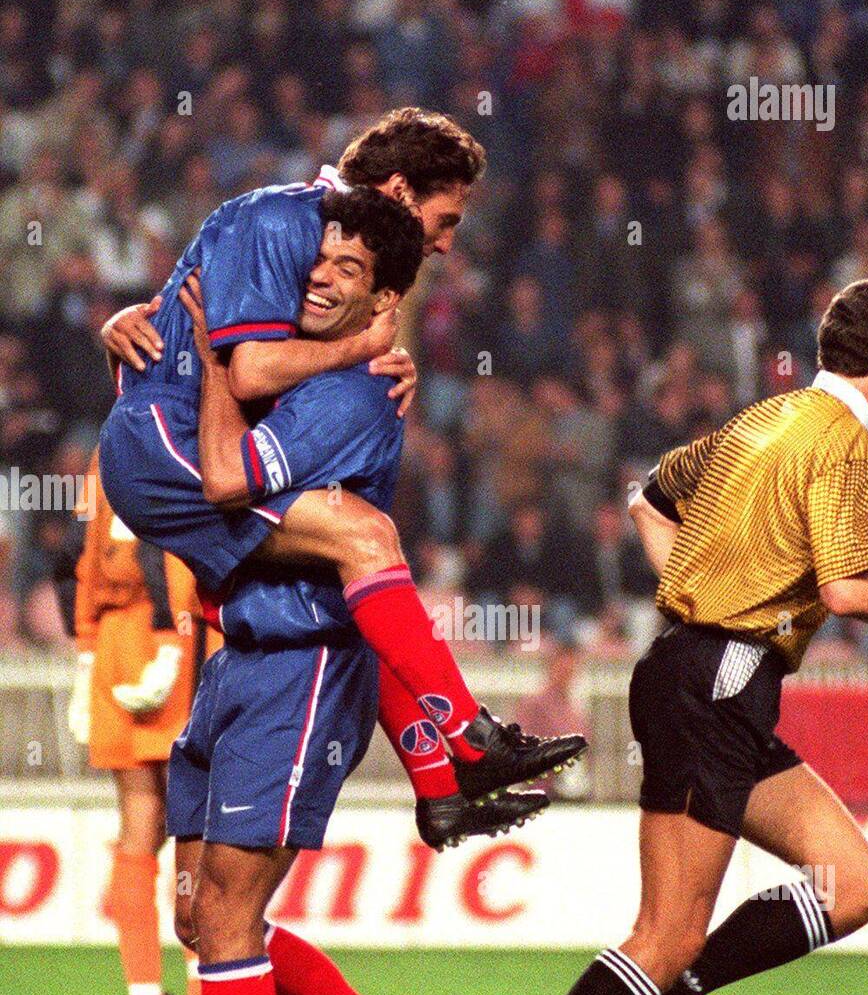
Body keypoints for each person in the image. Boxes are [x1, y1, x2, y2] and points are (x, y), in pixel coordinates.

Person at [463, 278, 868, 995]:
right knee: (662, 937)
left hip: (702, 672)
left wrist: (691, 596)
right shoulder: (850, 447)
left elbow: (649, 500)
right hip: (724, 679)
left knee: (854, 884)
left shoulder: (761, 421)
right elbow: (853, 590)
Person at [123, 191, 489, 995]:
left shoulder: (356, 388)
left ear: (384, 296)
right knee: (202, 917)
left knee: (233, 910)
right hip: (233, 654)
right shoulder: (288, 347)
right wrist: (153, 344)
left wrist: (216, 367)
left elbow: (230, 481)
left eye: (351, 266)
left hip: (299, 662)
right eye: (321, 255)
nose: (322, 271)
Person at [98, 108, 585, 850]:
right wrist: (359, 345)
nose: (449, 242)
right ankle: (468, 733)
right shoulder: (283, 217)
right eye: (444, 218)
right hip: (166, 447)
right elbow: (248, 367)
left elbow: (220, 351)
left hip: (184, 445)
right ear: (396, 188)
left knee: (355, 578)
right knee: (364, 537)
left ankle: (441, 780)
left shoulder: (317, 246)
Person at [56, 454, 210, 995]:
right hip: (173, 630)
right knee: (197, 822)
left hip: (115, 639)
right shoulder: (176, 432)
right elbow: (164, 539)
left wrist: (87, 651)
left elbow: (72, 561)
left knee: (139, 821)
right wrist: (174, 640)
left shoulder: (103, 457)